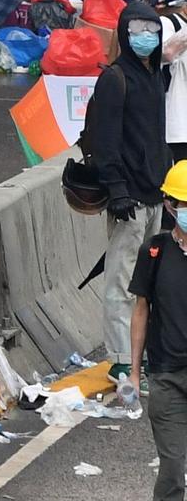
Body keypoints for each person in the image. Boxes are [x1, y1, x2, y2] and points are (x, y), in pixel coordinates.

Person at [95, 2, 181, 378]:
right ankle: (119, 358)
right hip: (128, 198)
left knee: (146, 284)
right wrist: (117, 191)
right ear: (124, 34)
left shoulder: (153, 76)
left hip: (153, 194)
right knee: (120, 280)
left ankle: (139, 357)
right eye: (137, 30)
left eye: (151, 30)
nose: (145, 37)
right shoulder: (115, 79)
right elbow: (106, 141)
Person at [126, 160, 187, 470]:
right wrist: (135, 374)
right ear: (170, 205)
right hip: (167, 377)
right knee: (173, 469)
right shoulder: (155, 252)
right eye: (185, 203)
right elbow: (140, 312)